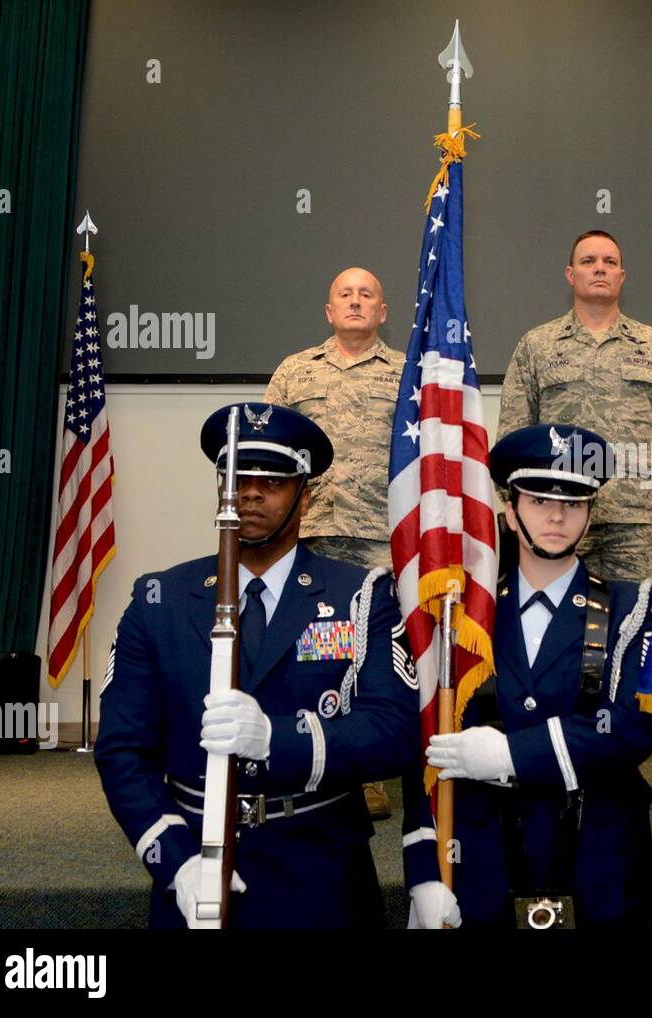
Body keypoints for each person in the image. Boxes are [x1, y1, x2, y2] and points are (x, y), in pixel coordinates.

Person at [94, 403, 423, 928]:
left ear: (305, 498)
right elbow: (121, 750)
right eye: (237, 477)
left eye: (271, 480)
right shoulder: (160, 599)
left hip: (321, 871)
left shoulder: (361, 595)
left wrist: (278, 739)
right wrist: (174, 862)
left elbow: (397, 731)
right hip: (195, 858)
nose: (250, 492)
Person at [411, 424, 652, 928]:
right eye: (539, 500)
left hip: (599, 858)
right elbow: (423, 742)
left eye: (573, 502)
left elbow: (633, 726)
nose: (555, 515)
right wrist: (421, 869)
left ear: (591, 514)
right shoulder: (461, 616)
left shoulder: (634, 607)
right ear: (509, 511)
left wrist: (511, 753)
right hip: (487, 860)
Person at [265, 266, 406, 818]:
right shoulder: (295, 371)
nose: (355, 302)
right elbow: (265, 448)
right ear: (329, 311)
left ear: (382, 311)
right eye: (344, 295)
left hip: (383, 537)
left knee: (373, 656)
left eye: (366, 294)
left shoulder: (406, 372)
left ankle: (369, 773)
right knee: (316, 651)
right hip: (311, 532)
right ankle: (313, 759)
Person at [497, 230, 652, 589]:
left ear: (621, 276)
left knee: (642, 622)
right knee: (558, 627)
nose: (600, 269)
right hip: (556, 515)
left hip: (635, 524)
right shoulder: (537, 345)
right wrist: (518, 508)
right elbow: (512, 435)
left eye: (609, 262)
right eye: (588, 262)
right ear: (571, 274)